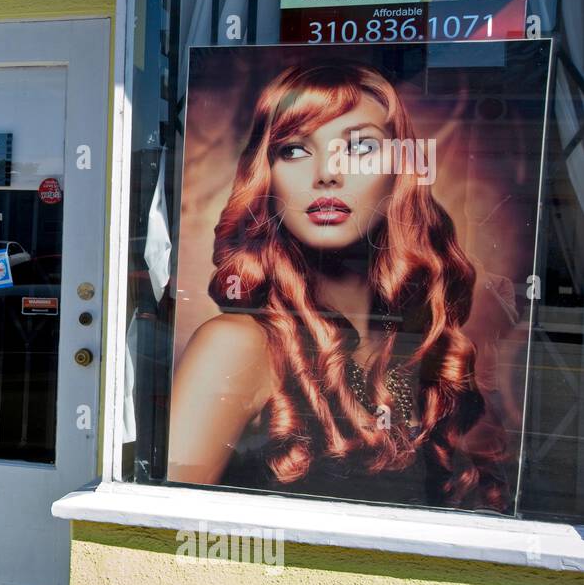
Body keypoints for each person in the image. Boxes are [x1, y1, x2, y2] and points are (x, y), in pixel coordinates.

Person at [167, 62, 508, 512]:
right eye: (293, 150)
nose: (327, 173)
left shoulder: (407, 341)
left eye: (361, 147)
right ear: (265, 176)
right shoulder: (237, 344)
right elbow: (168, 529)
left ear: (399, 173)